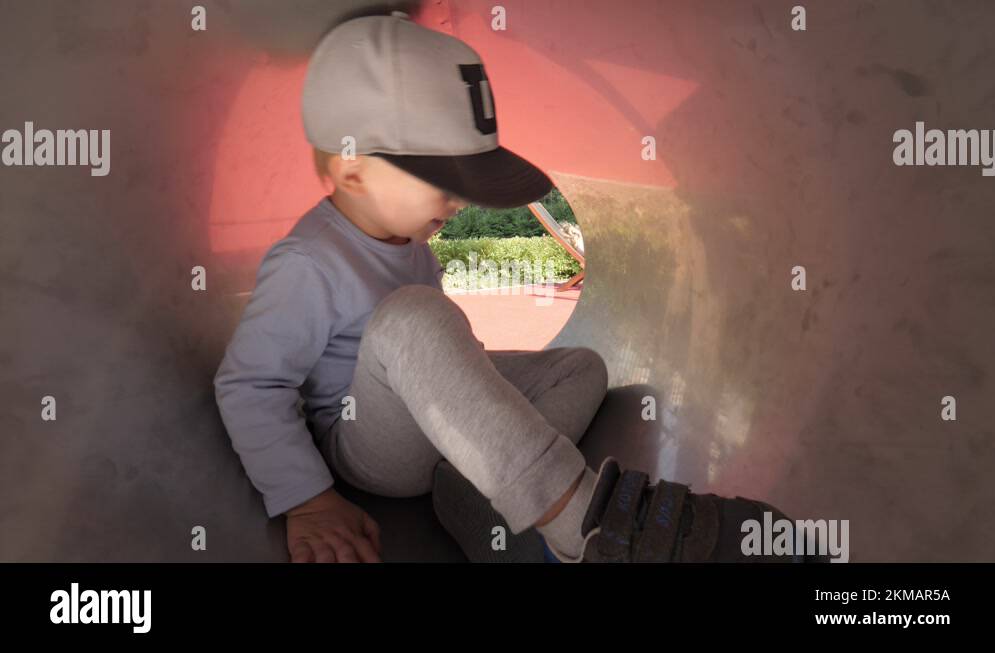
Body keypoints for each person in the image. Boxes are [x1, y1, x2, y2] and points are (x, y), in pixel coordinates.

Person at [214, 12, 816, 564]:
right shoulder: (308, 263)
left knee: (581, 366)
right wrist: (309, 499)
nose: (458, 199)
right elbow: (250, 385)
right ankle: (582, 518)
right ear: (353, 167)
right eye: (441, 178)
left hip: (433, 431)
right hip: (370, 448)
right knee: (411, 317)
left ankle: (478, 495)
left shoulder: (409, 244)